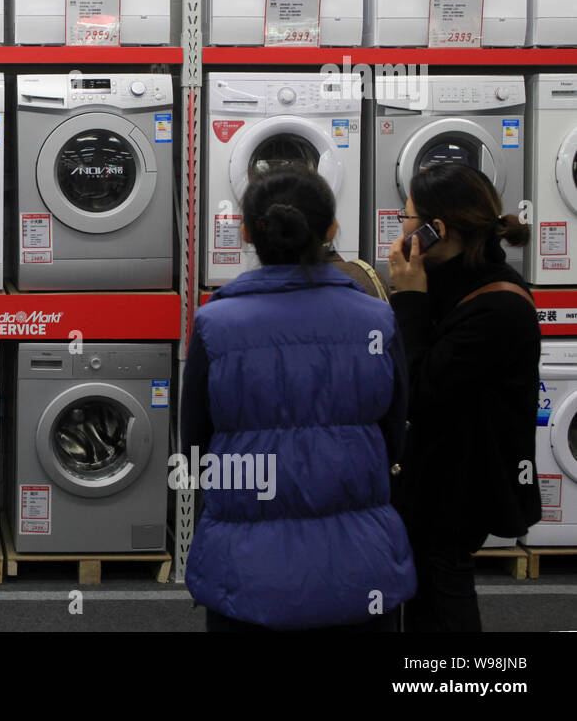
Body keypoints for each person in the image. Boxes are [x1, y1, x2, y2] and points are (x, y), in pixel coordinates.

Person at [182, 165, 416, 631]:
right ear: (331, 231)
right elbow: (395, 434)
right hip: (359, 566)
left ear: (247, 232)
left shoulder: (216, 324)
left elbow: (195, 445)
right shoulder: (377, 320)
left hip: (245, 571)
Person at [387, 163, 542, 632]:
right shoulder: (459, 280)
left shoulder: (497, 305)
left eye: (407, 218)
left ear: (439, 230)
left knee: (443, 585)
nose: (402, 225)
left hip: (461, 486)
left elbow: (419, 389)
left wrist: (409, 299)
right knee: (428, 588)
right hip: (442, 476)